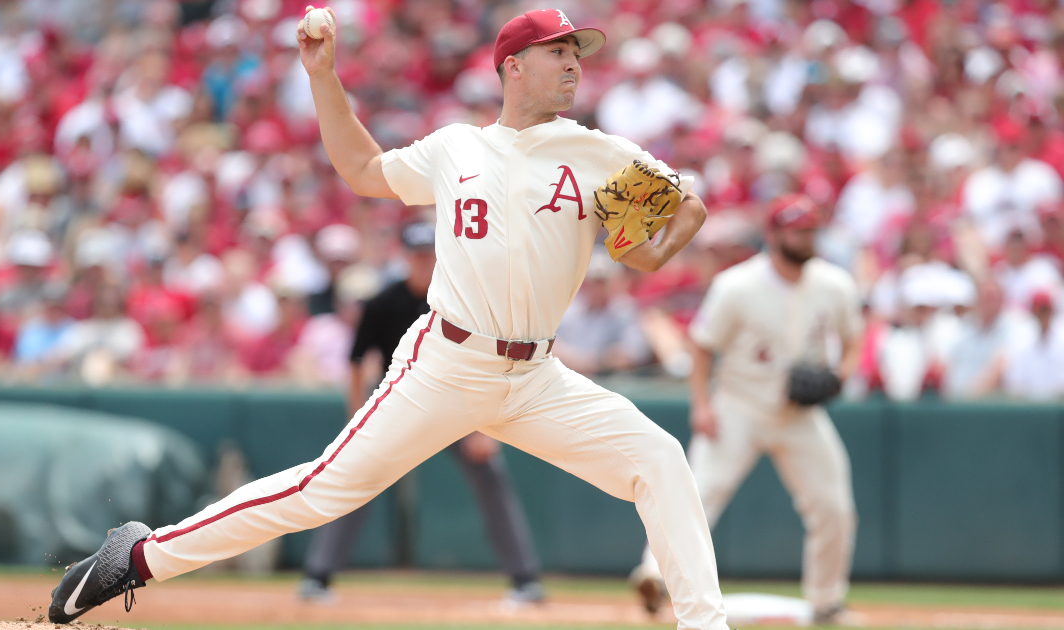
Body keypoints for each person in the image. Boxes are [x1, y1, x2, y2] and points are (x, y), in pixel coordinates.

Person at [49, 9, 729, 630]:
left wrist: (664, 234)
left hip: (536, 376)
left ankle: (705, 625)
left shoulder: (598, 153)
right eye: (559, 51)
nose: (576, 63)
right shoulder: (456, 147)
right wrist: (324, 77)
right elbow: (363, 167)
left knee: (660, 459)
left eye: (579, 53)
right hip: (448, 361)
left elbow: (652, 243)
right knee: (320, 490)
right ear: (513, 67)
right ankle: (138, 558)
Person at [629, 195, 861, 625]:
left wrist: (840, 375)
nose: (806, 237)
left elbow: (853, 339)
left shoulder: (835, 284)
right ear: (773, 234)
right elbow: (701, 345)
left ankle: (827, 600)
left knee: (834, 506)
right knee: (695, 495)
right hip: (738, 406)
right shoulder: (737, 285)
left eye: (811, 229)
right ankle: (653, 577)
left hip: (799, 414)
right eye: (797, 229)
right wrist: (701, 404)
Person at [297, 222, 545, 603]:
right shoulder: (383, 302)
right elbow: (356, 364)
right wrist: (354, 420)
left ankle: (525, 579)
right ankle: (318, 575)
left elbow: (484, 366)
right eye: (416, 254)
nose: (422, 261)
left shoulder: (463, 301)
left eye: (428, 253)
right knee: (351, 476)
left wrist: (484, 429)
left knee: (491, 477)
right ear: (404, 256)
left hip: (457, 409)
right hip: (400, 408)